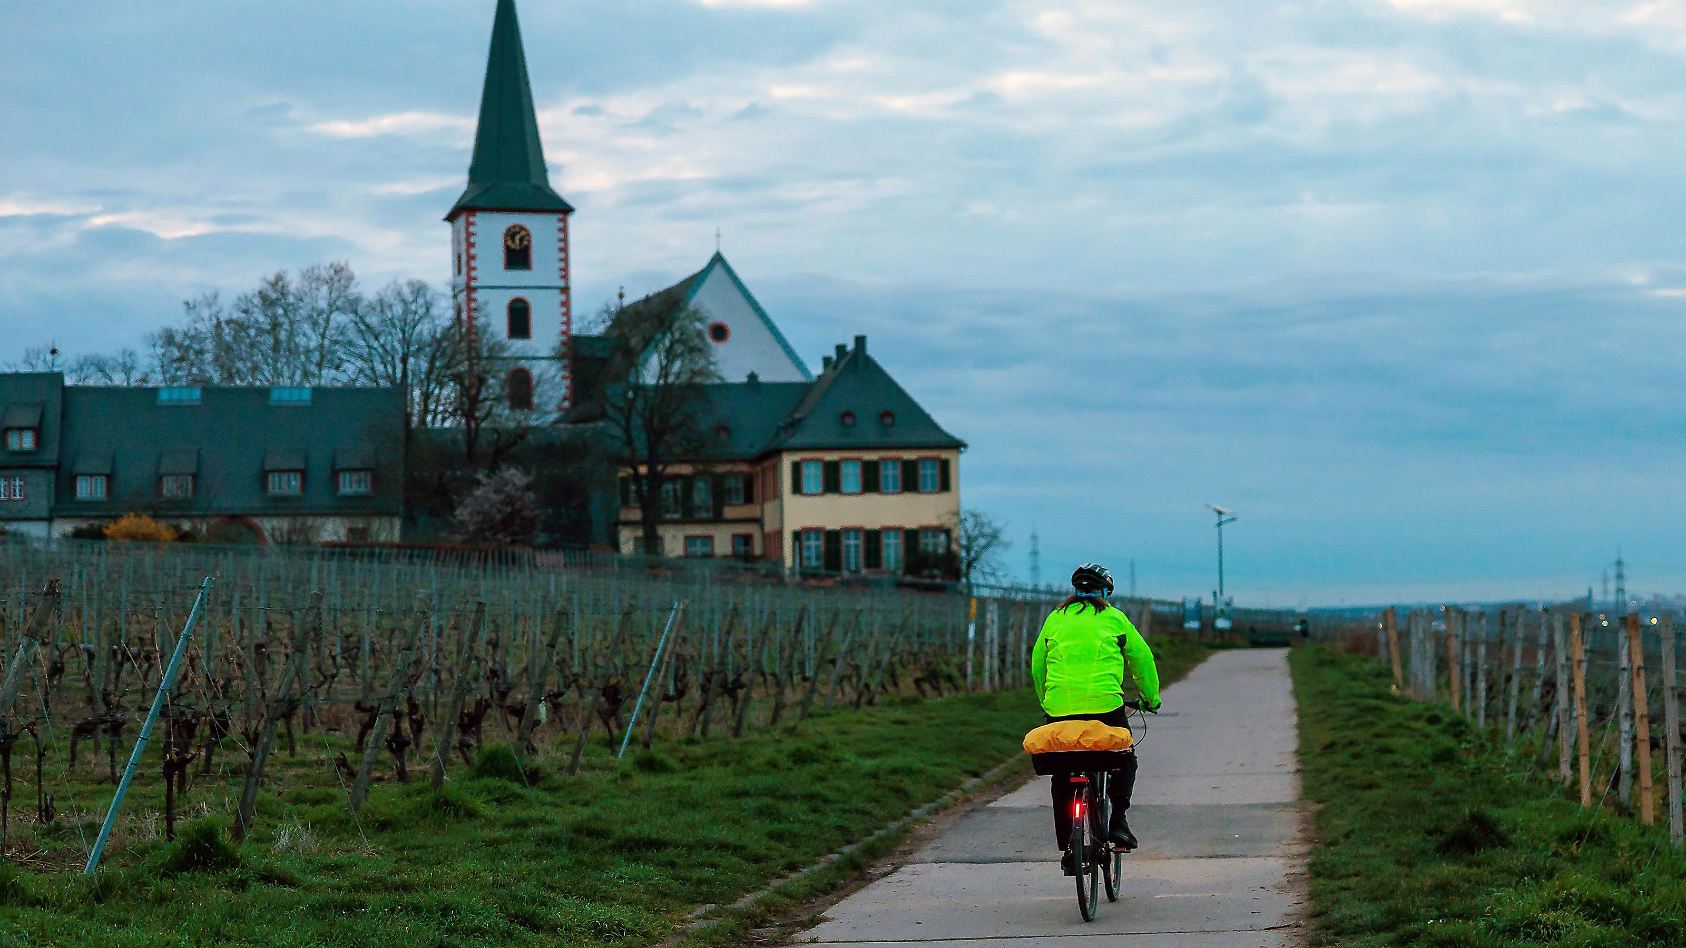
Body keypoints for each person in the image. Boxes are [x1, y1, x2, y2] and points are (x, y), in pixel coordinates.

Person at [1030, 562, 1161, 870]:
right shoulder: (1115, 619)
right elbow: (1142, 660)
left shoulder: (1055, 619)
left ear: (1075, 592)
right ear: (1106, 593)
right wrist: (1150, 698)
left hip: (1059, 710)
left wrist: (1046, 702)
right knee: (1125, 755)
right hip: (1105, 709)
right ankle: (1118, 821)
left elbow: (1038, 665)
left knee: (1063, 771)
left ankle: (1069, 847)